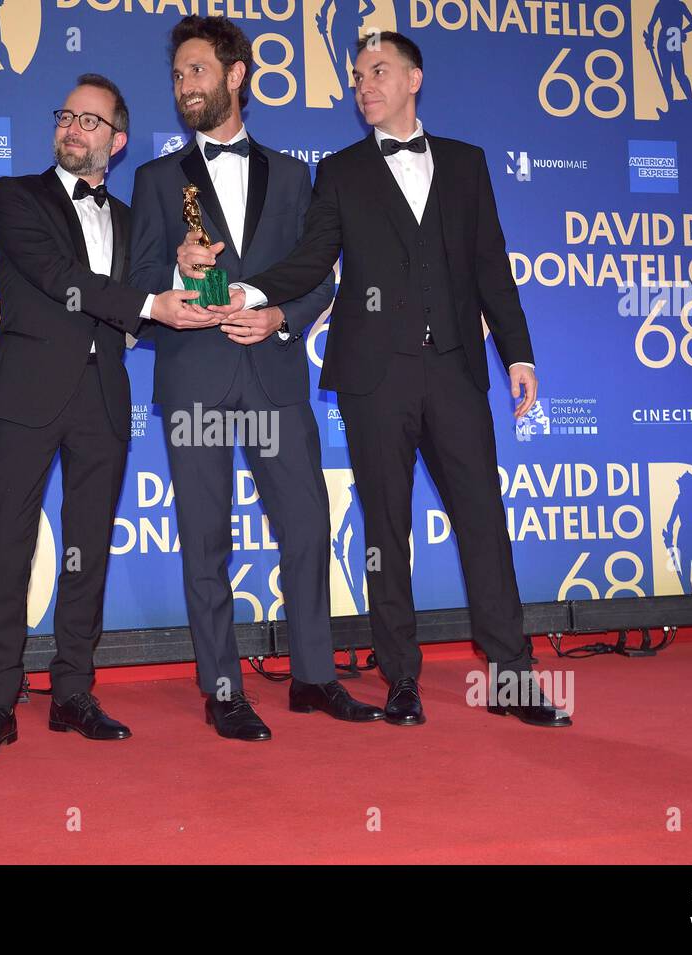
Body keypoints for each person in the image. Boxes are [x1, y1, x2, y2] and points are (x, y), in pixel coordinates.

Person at [214, 32, 571, 728]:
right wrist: (252, 290)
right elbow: (313, 261)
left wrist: (519, 357)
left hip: (457, 369)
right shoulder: (341, 172)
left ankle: (512, 676)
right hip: (374, 378)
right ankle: (400, 678)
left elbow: (491, 266)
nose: (363, 86)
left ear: (414, 79)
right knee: (385, 529)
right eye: (355, 77)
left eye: (377, 72)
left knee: (484, 523)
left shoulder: (468, 165)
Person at [129, 16, 385, 741]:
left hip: (273, 375)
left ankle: (313, 675)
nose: (185, 87)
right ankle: (222, 690)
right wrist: (178, 274)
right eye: (177, 75)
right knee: (205, 537)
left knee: (307, 527)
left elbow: (318, 277)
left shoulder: (296, 175)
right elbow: (135, 289)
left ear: (236, 76)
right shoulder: (154, 181)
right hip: (196, 380)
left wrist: (280, 319)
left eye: (198, 71)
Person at [0, 73, 211, 758]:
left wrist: (186, 282)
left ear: (117, 141)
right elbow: (60, 278)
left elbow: (150, 306)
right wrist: (150, 305)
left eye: (90, 121)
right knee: (9, 546)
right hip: (27, 394)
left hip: (103, 397)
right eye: (66, 115)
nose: (73, 128)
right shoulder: (14, 197)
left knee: (86, 550)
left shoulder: (131, 222)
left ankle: (72, 692)